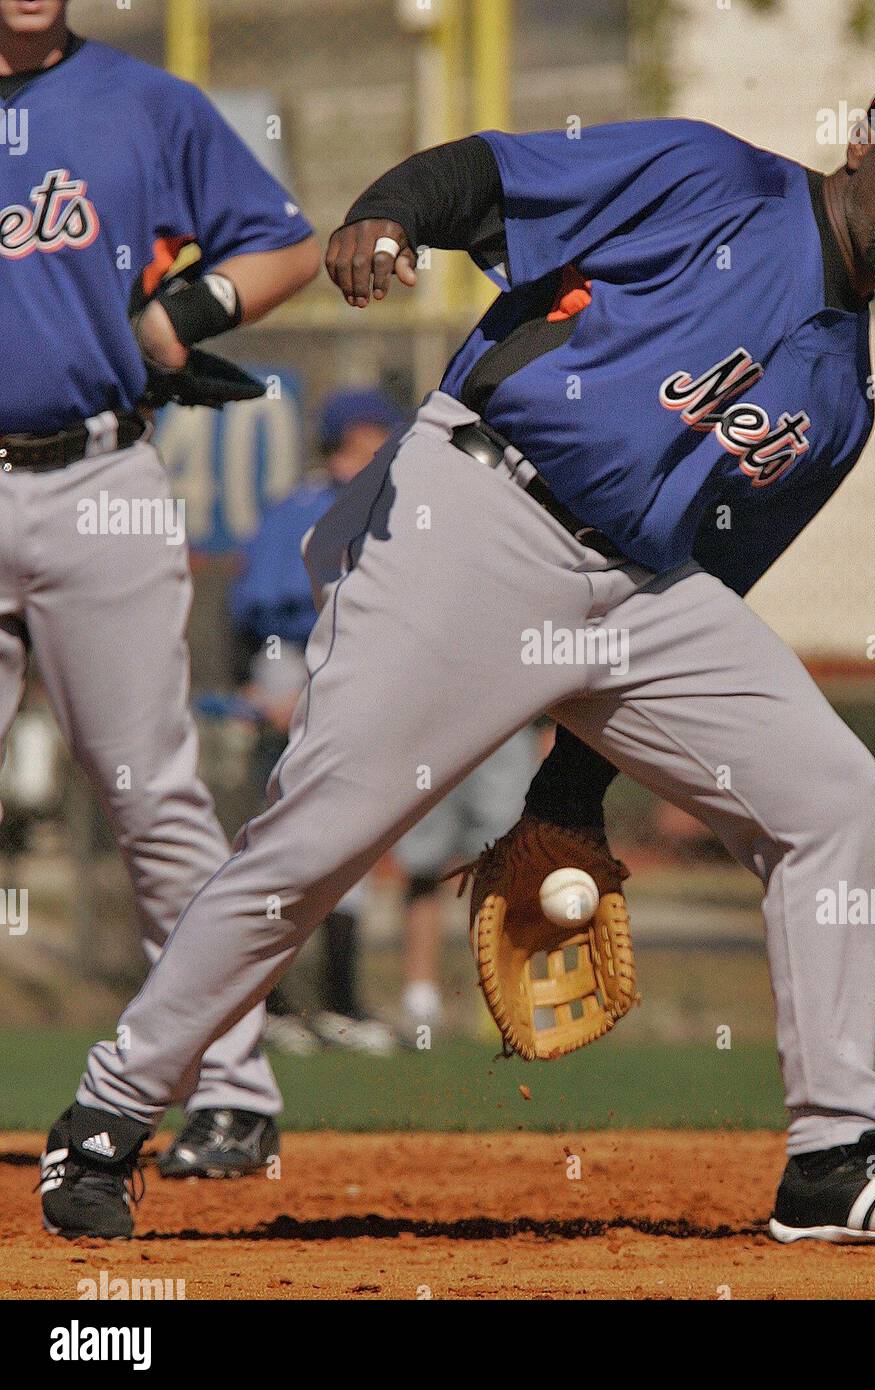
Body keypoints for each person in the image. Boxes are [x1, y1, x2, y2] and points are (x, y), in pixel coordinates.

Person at [44, 56, 875, 1246]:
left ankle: (831, 1154)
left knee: (828, 795)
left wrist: (570, 789)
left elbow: (708, 574)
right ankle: (107, 1113)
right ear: (868, 138)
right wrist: (388, 216)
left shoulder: (843, 399)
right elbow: (489, 175)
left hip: (643, 590)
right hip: (478, 514)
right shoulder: (712, 178)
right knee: (315, 843)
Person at [0, 0, 321, 1194]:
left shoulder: (144, 103)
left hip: (99, 478)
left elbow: (283, 242)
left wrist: (188, 311)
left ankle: (232, 1091)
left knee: (153, 797)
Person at [231, 388, 408, 1057]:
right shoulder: (305, 506)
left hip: (360, 673)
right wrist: (272, 681)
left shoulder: (391, 506)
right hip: (299, 670)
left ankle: (338, 1002)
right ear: (356, 435)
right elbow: (260, 609)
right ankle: (270, 1006)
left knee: (351, 844)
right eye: (382, 432)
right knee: (281, 841)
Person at [392, 726, 541, 1045]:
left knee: (508, 865)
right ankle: (420, 1003)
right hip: (430, 723)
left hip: (506, 720)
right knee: (423, 866)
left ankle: (509, 996)